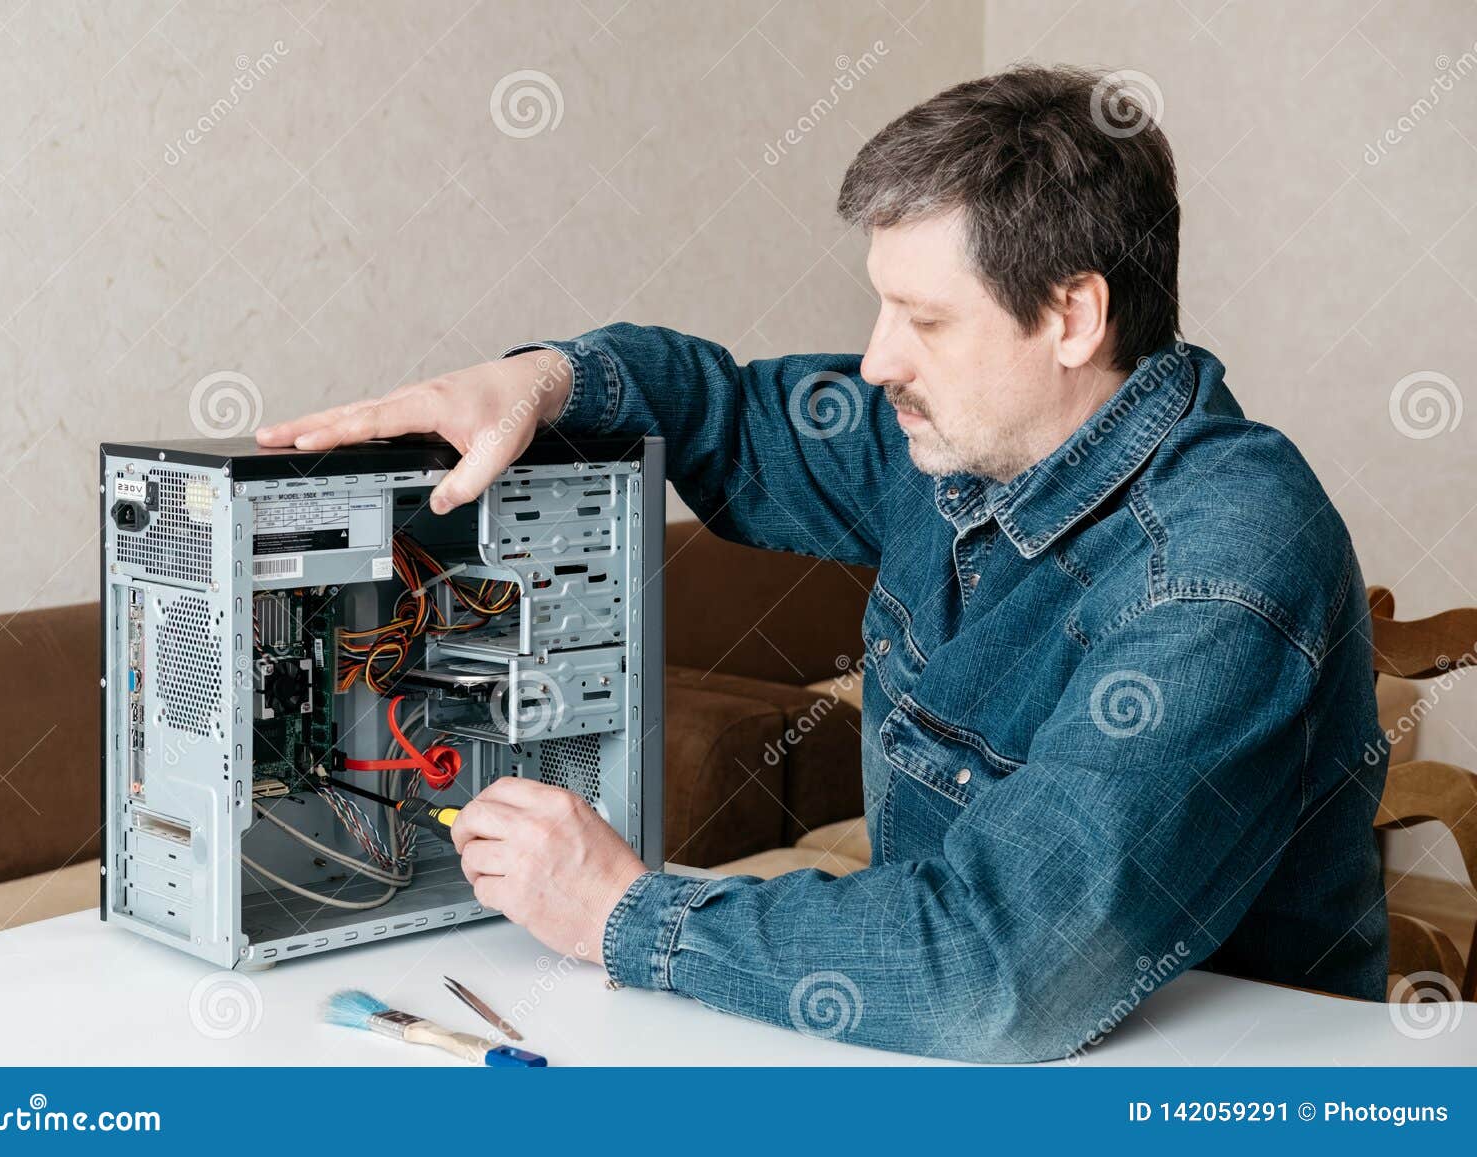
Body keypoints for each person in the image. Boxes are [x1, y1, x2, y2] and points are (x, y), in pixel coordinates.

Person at [257, 65, 1387, 1062]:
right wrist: (546, 377)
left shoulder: (1223, 564)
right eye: (877, 304)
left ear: (1073, 315)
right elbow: (727, 415)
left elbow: (999, 972)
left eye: (923, 319)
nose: (876, 358)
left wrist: (626, 910)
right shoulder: (957, 441)